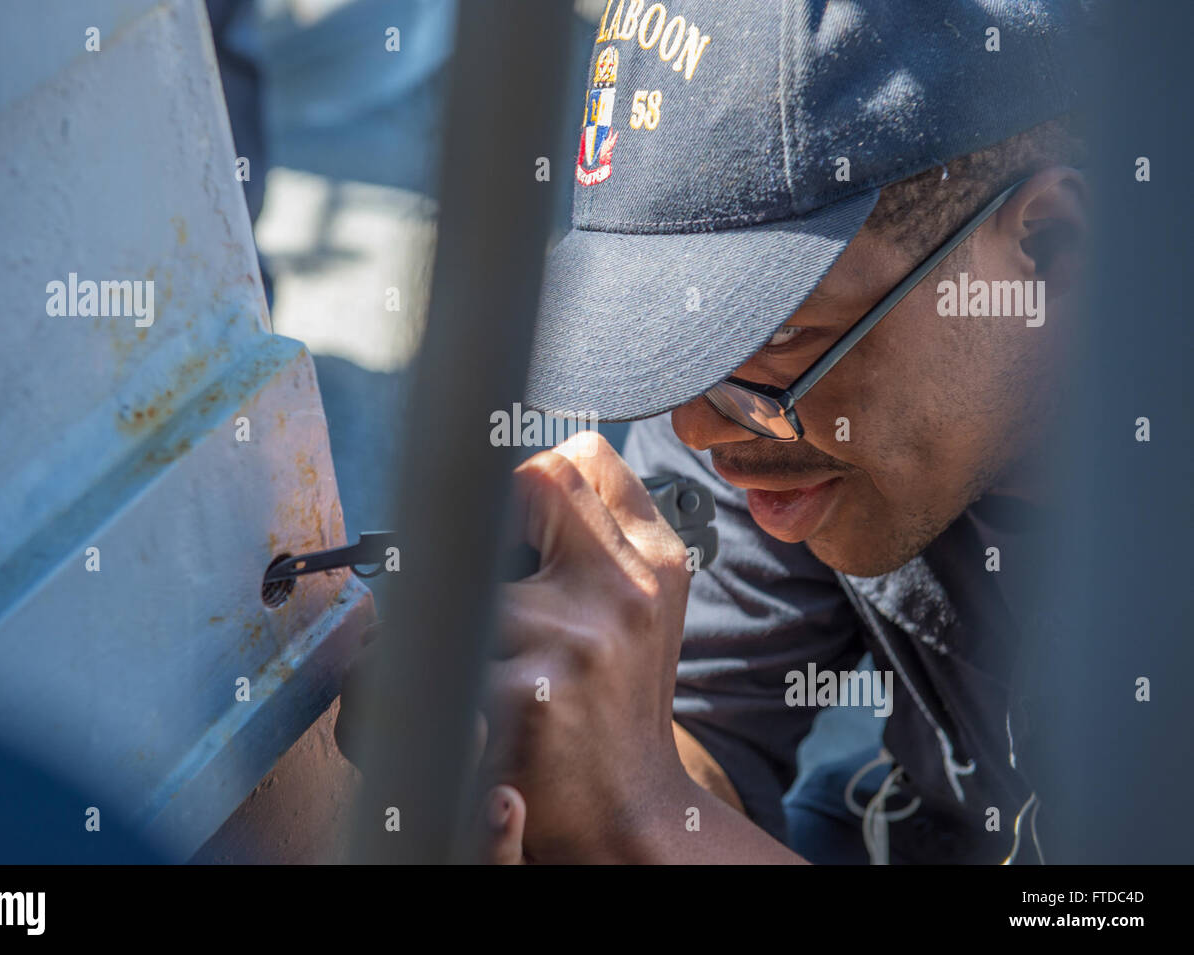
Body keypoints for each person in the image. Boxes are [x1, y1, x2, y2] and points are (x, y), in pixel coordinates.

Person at [341, 0, 1092, 864]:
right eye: (679, 346)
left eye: (774, 335)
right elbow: (706, 737)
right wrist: (566, 760)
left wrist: (640, 818)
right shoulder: (770, 413)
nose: (698, 429)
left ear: (1050, 244)